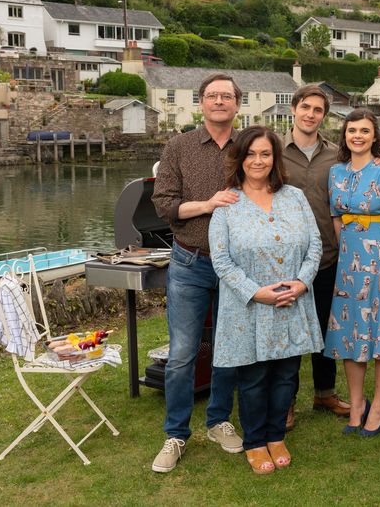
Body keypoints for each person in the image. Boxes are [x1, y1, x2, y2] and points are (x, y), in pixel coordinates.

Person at [209, 126, 324, 474]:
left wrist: (302, 283)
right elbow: (221, 259)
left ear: (275, 158)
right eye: (251, 154)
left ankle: (277, 436)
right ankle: (255, 441)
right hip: (250, 307)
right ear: (240, 159)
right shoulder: (227, 203)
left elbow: (315, 244)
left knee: (287, 375)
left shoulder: (294, 197)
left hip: (292, 301)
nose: (258, 161)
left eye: (265, 154)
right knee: (255, 377)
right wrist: (255, 292)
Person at [151, 73, 243, 473]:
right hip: (189, 261)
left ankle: (219, 421)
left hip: (236, 266)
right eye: (212, 95)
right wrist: (208, 204)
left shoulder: (249, 146)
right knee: (182, 355)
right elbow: (164, 205)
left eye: (227, 96)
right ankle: (175, 434)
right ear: (201, 102)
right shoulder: (179, 146)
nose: (219, 101)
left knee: (228, 350)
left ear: (237, 104)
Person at [324, 109, 380, 437]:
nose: (358, 136)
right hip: (350, 266)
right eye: (352, 130)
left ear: (375, 136)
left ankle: (378, 406)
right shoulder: (336, 172)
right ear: (345, 135)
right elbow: (337, 217)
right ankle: (357, 404)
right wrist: (346, 254)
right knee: (351, 335)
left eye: (364, 130)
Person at [281, 85, 351, 426]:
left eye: (318, 110)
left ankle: (325, 393)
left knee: (326, 327)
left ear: (324, 115)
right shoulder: (274, 151)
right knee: (292, 332)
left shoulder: (337, 155)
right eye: (305, 107)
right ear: (294, 108)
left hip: (327, 254)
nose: (310, 114)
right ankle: (287, 400)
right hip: (285, 258)